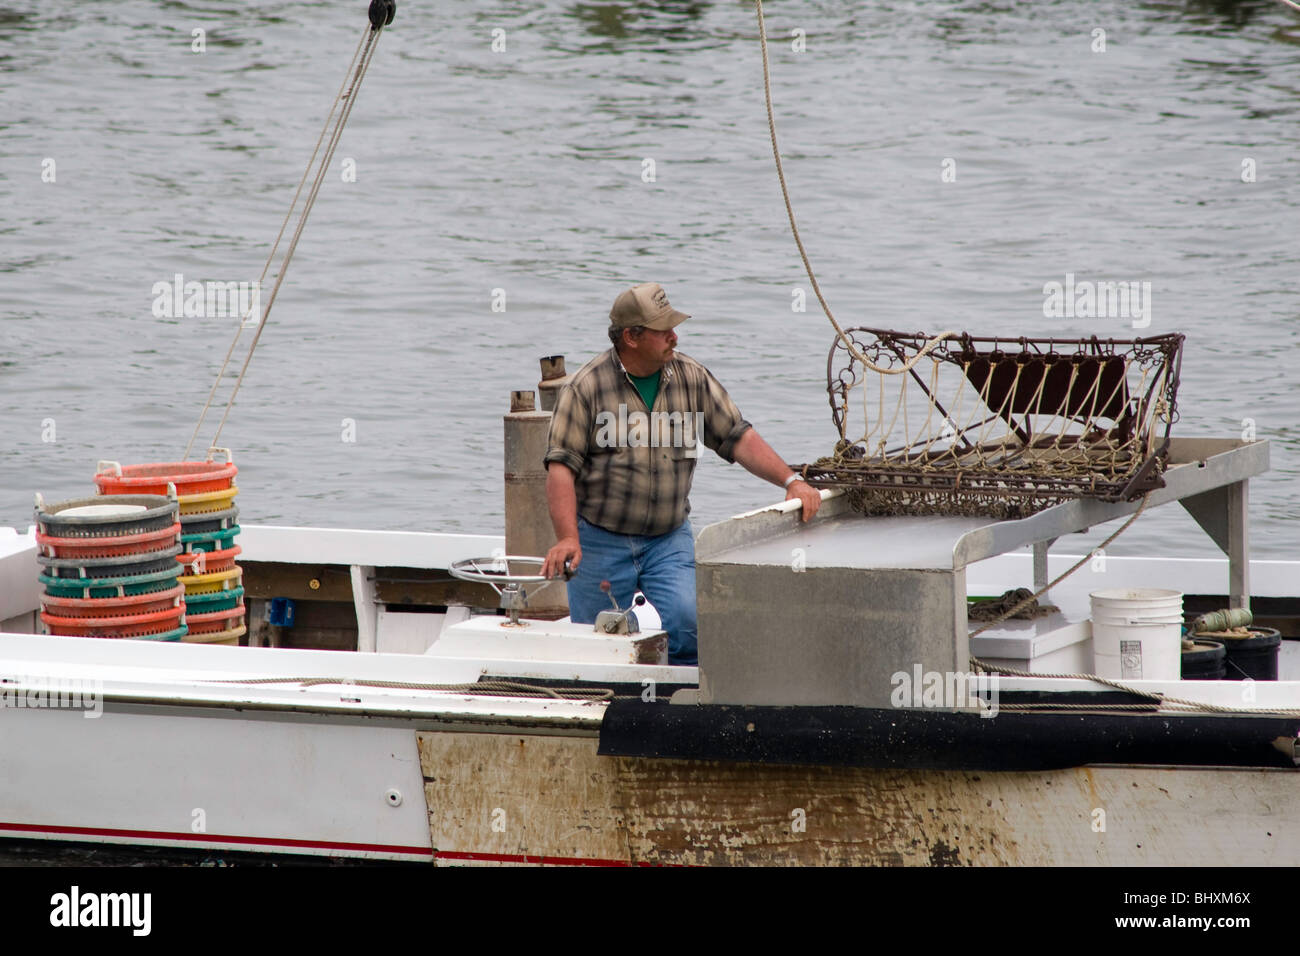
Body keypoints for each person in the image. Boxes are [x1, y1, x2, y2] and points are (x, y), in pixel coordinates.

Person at [540, 282, 822, 665]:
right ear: (631, 337)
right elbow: (561, 469)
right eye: (663, 330)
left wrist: (792, 481)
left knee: (690, 623)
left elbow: (737, 436)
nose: (675, 336)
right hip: (599, 540)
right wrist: (567, 538)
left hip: (667, 539)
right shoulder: (585, 388)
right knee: (597, 643)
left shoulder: (692, 377)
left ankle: (678, 702)